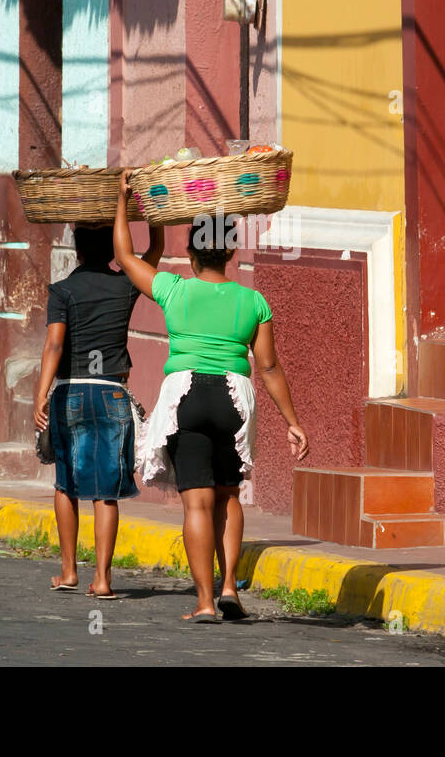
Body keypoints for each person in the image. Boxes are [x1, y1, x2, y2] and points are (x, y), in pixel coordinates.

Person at [113, 175, 309, 622]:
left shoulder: (174, 289)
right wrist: (293, 421)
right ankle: (230, 590)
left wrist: (124, 203)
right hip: (232, 400)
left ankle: (203, 602)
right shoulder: (253, 301)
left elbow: (125, 256)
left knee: (196, 502)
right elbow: (270, 368)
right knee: (230, 497)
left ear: (194, 253)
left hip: (185, 395)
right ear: (231, 252)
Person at [33, 220, 164, 598]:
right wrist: (154, 219)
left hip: (71, 391)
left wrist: (41, 393)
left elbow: (54, 346)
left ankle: (69, 571)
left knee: (66, 483)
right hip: (111, 393)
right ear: (112, 250)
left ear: (78, 250)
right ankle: (103, 579)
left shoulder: (62, 291)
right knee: (106, 491)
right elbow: (151, 258)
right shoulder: (125, 285)